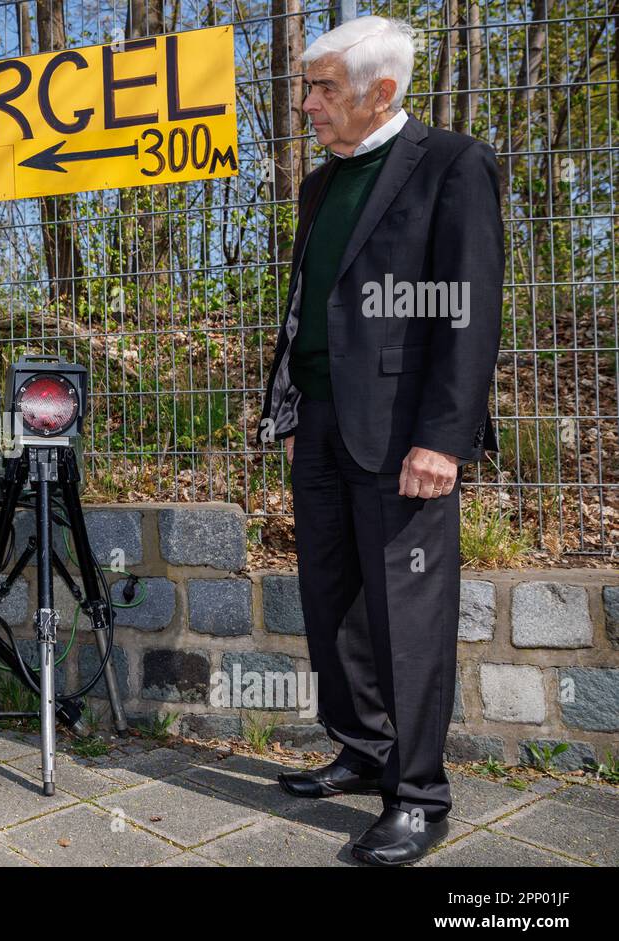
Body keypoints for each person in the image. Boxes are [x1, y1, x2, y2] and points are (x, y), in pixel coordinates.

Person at [257, 17, 503, 865]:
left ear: (382, 92)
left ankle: (420, 795)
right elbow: (305, 309)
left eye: (323, 88)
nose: (307, 105)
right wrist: (290, 412)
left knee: (408, 613)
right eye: (308, 87)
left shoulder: (451, 166)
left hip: (406, 436)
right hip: (321, 425)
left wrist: (445, 438)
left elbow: (467, 314)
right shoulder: (321, 185)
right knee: (332, 598)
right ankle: (362, 750)